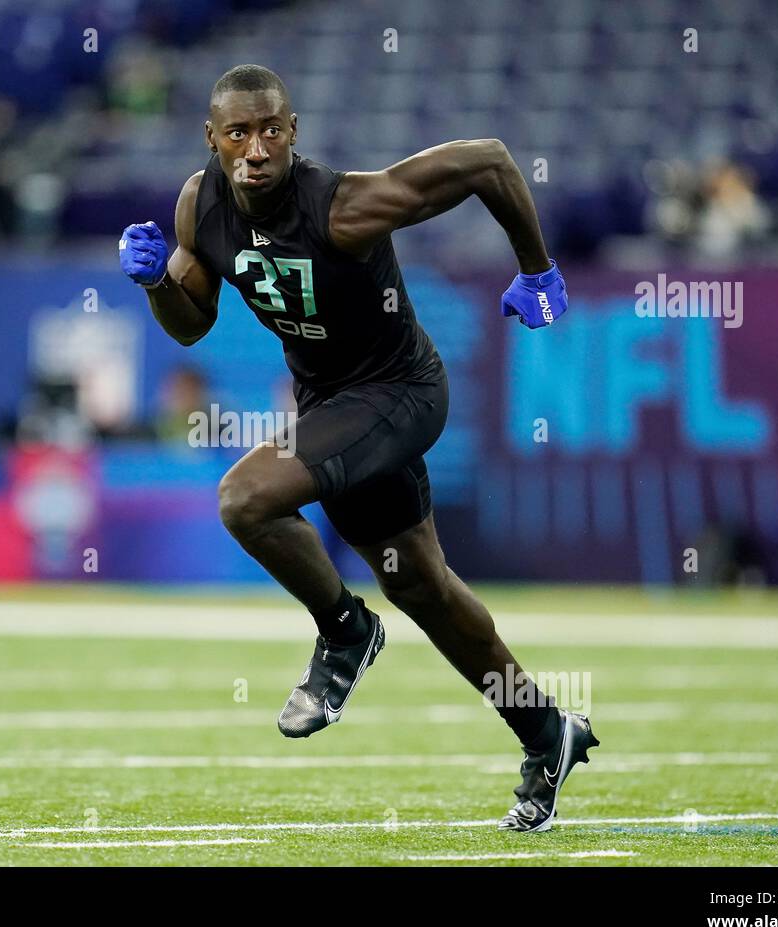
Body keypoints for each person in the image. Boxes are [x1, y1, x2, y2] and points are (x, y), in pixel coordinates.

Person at [118, 64, 597, 832]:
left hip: (400, 394)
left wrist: (536, 267)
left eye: (271, 129)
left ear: (294, 131)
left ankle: (345, 631)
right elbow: (192, 321)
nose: (255, 149)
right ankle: (547, 734)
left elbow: (489, 160)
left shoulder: (342, 206)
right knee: (422, 587)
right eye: (237, 133)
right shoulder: (197, 203)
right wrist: (155, 285)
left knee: (244, 498)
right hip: (333, 407)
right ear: (211, 139)